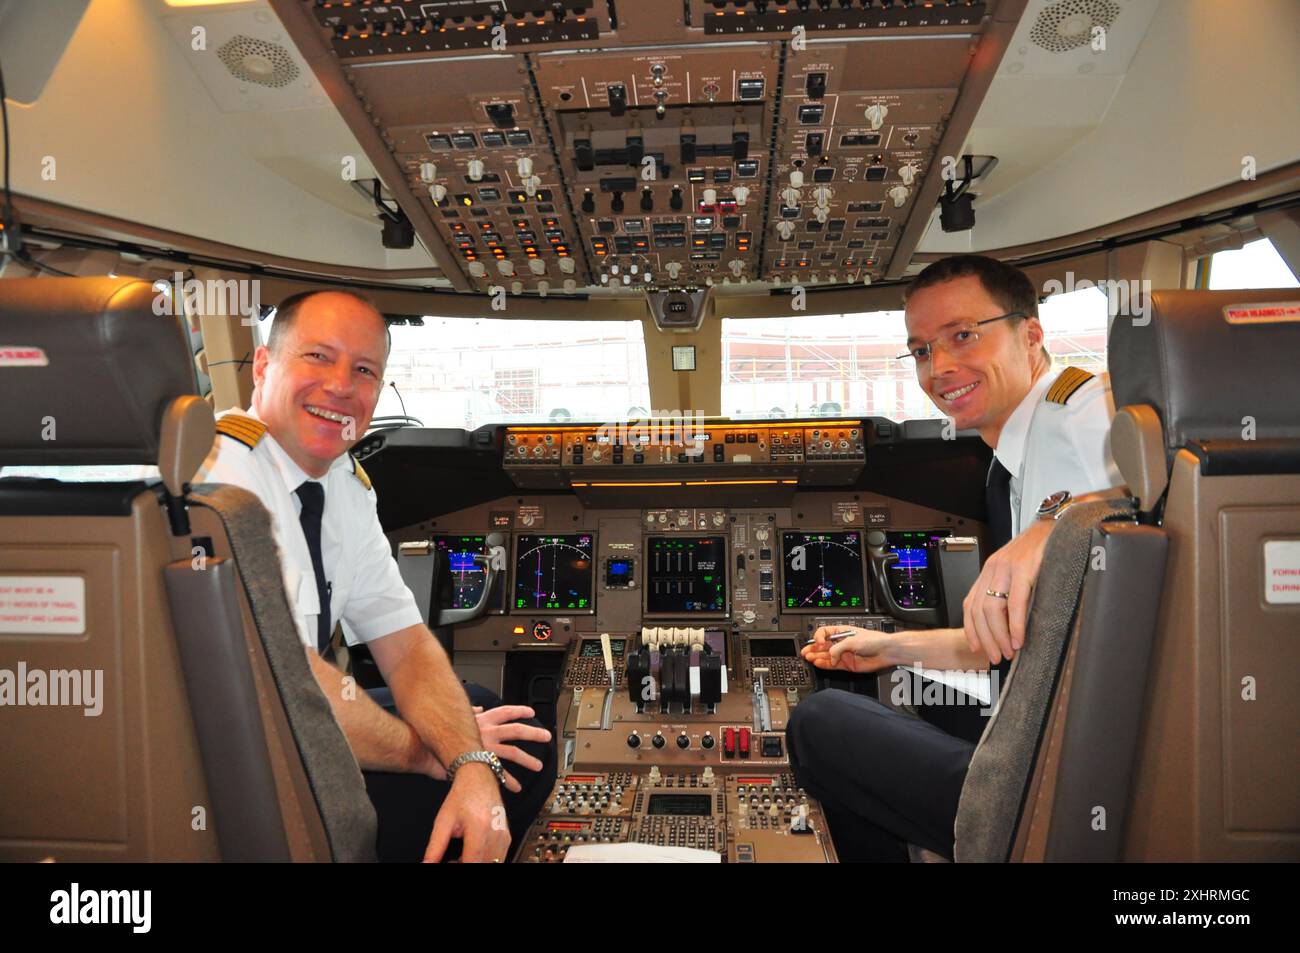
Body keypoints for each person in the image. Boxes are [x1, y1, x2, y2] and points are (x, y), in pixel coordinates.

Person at [196, 289, 555, 863]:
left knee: (496, 722)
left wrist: (467, 762)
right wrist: (438, 757)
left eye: (363, 370)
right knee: (501, 754)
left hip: (296, 713)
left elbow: (407, 647)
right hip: (236, 752)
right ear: (264, 365)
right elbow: (289, 682)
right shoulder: (219, 479)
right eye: (318, 356)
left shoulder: (342, 484)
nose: (341, 385)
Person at [787, 255, 1125, 861]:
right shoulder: (1020, 448)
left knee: (821, 722)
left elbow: (1161, 493)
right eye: (921, 350)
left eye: (963, 335)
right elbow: (1012, 639)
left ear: (1031, 334)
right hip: (1056, 723)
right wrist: (885, 646)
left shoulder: (1078, 413)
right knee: (883, 687)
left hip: (1059, 782)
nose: (940, 368)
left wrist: (1050, 529)